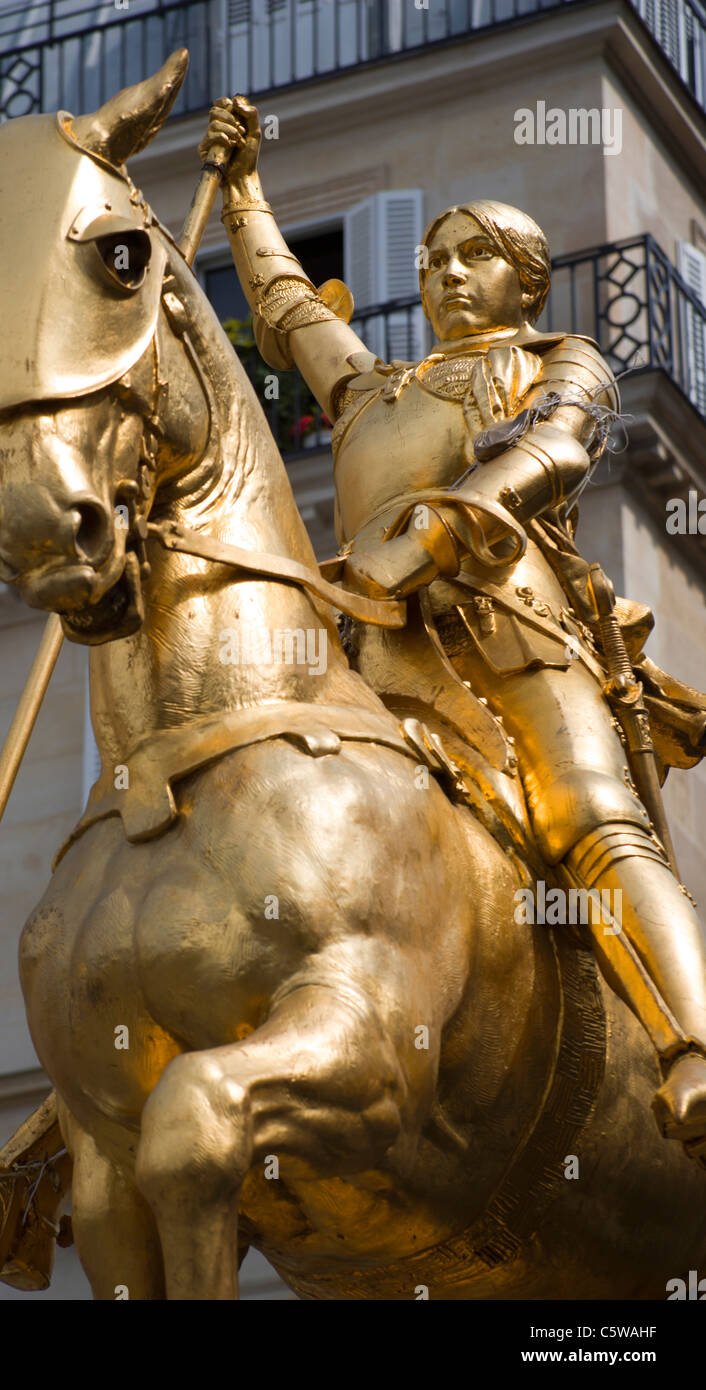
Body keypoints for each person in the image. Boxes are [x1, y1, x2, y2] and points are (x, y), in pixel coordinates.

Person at [200, 94, 706, 1159]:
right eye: (430, 257)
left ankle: (694, 1048)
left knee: (586, 812)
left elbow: (558, 450)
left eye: (471, 254)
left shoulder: (558, 356)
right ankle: (56, 1142)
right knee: (225, 842)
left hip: (509, 627)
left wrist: (438, 529)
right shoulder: (368, 389)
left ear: (521, 278)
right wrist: (242, 190)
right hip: (368, 649)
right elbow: (288, 309)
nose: (442, 271)